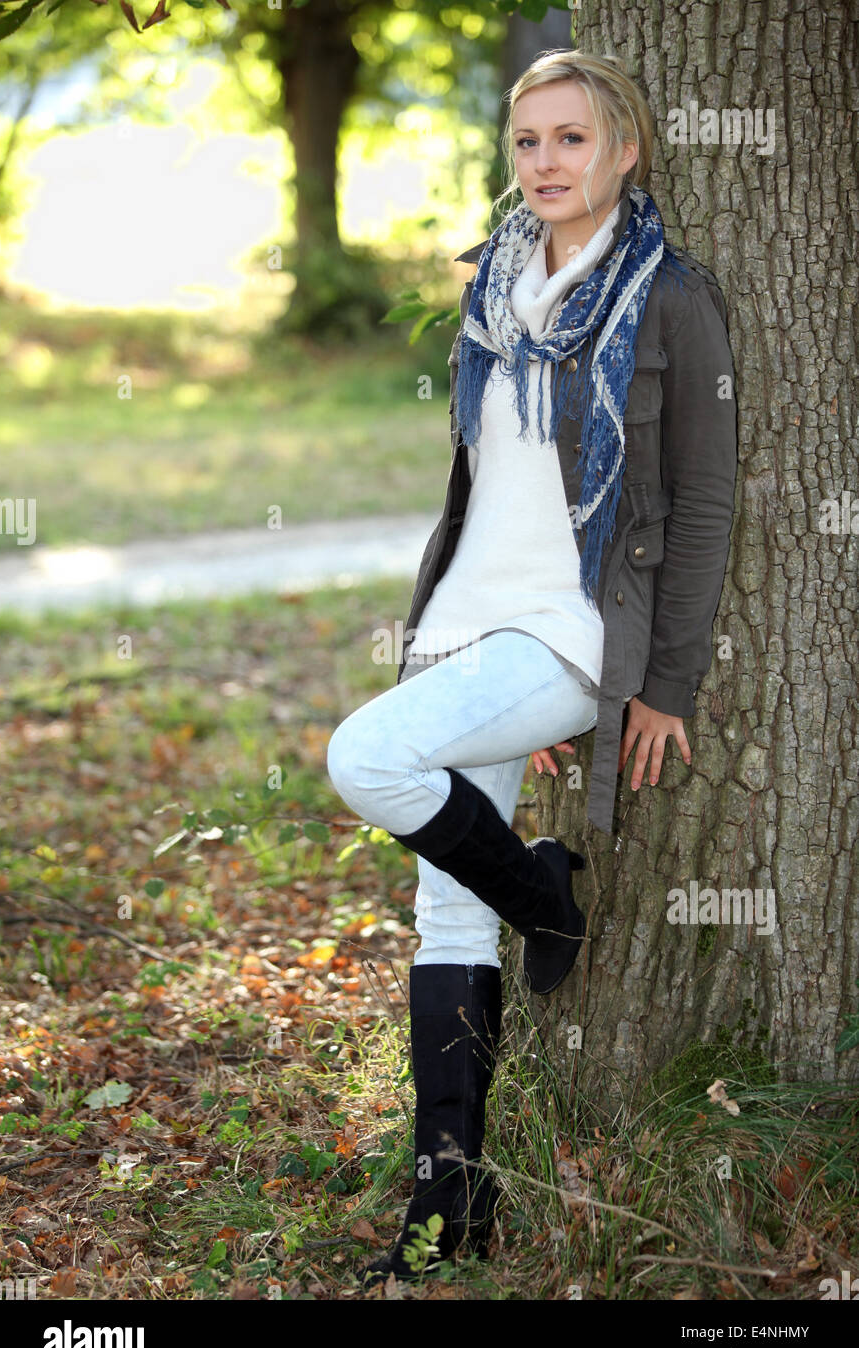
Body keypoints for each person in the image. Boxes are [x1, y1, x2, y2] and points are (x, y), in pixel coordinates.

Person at [326, 48, 738, 1284]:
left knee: (368, 754)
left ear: (624, 151)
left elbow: (705, 500)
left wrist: (659, 683)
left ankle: (545, 899)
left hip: (574, 635)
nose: (545, 163)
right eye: (526, 143)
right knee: (443, 907)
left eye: (571, 140)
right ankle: (447, 1211)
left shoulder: (671, 296)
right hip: (464, 619)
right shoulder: (493, 286)